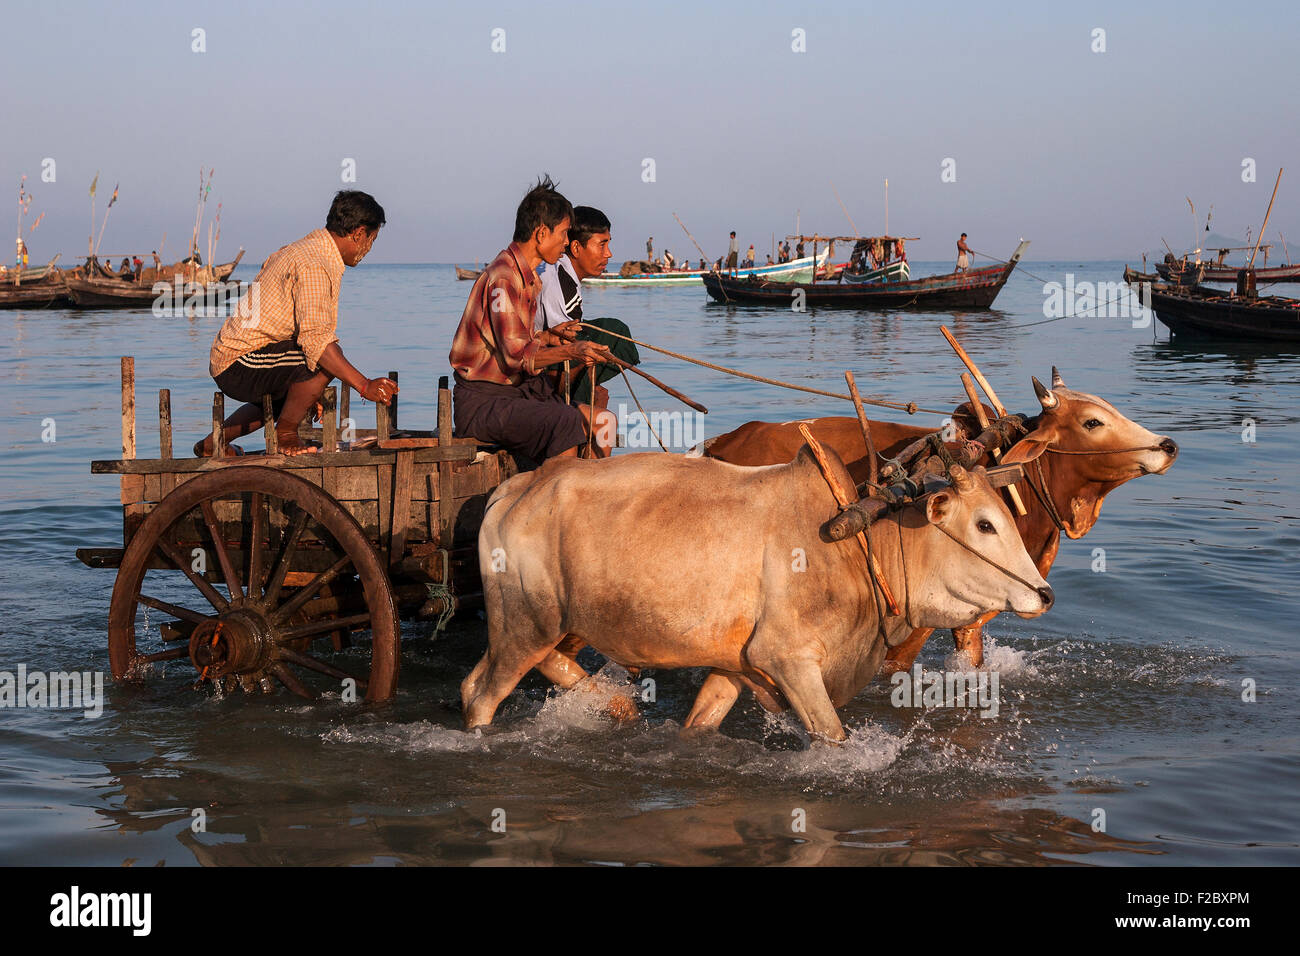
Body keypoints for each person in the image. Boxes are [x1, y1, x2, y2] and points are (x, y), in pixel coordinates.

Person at [203, 190, 397, 457]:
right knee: (321, 359)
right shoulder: (315, 263)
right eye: (371, 240)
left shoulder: (306, 250)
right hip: (239, 361)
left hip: (245, 356)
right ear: (358, 233)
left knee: (291, 394)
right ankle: (285, 435)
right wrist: (364, 385)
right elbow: (318, 341)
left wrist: (308, 391)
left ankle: (212, 443)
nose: (368, 249)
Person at [449, 176, 614, 462]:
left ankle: (593, 497)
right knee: (564, 420)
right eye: (563, 234)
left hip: (516, 395)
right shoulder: (504, 278)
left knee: (604, 422)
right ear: (541, 234)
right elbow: (515, 357)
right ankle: (564, 502)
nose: (566, 242)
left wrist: (549, 338)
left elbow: (518, 343)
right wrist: (574, 350)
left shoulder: (529, 280)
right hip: (484, 403)